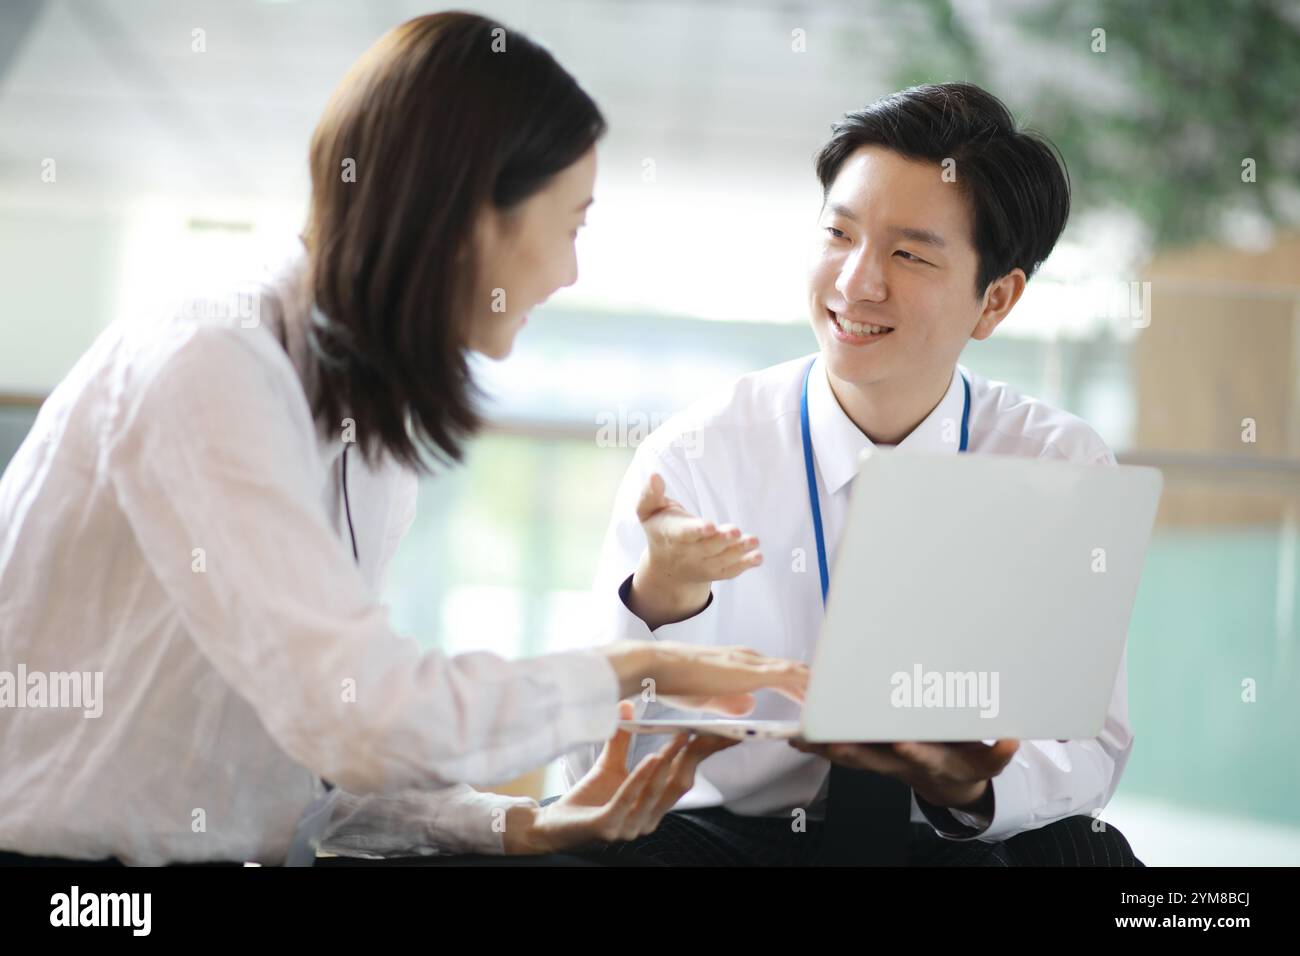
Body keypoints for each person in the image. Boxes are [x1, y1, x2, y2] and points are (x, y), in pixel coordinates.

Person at [0, 11, 807, 867]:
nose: (570, 272)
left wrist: (516, 824)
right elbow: (357, 720)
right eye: (571, 225)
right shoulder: (213, 360)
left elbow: (317, 761)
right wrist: (636, 670)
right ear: (469, 211)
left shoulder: (365, 433)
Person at [562, 82, 1143, 866]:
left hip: (952, 838)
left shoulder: (1056, 465)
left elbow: (1090, 746)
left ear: (995, 301)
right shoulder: (698, 455)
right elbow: (592, 766)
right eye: (839, 234)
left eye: (908, 254)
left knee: (1103, 864)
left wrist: (967, 786)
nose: (856, 282)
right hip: (734, 843)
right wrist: (662, 597)